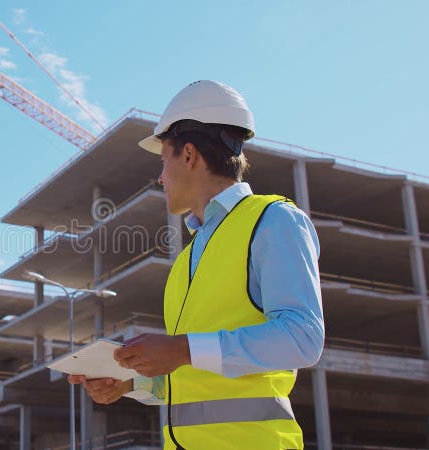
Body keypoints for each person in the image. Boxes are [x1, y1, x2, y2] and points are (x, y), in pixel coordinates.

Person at [69, 80, 324, 449]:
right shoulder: (187, 259)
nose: (160, 178)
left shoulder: (274, 220)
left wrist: (181, 349)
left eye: (163, 161)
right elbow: (199, 378)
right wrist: (131, 382)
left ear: (188, 155)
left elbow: (303, 338)